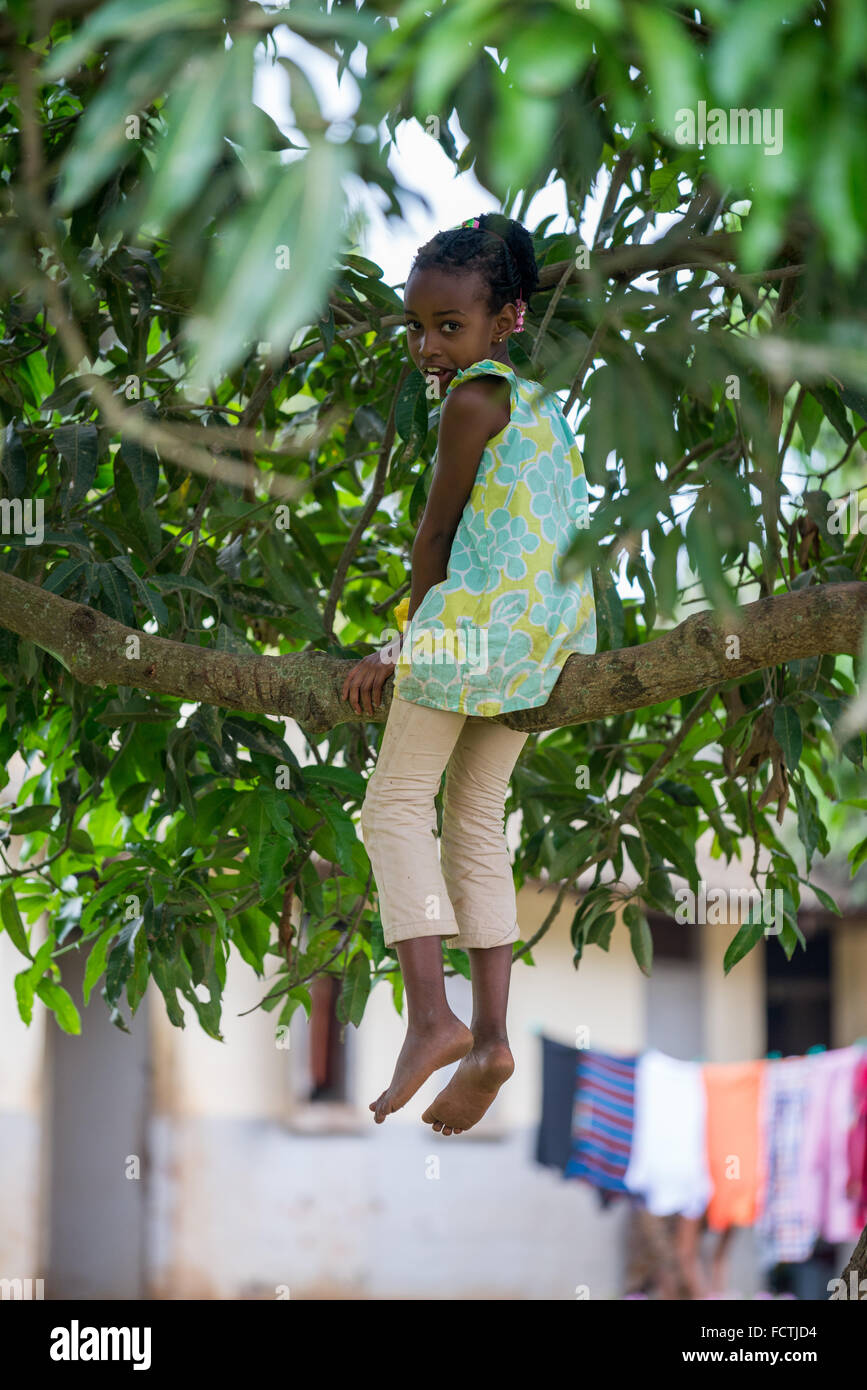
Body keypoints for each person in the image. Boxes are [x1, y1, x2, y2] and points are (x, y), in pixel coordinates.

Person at [341, 213, 596, 1134]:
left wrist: (398, 644)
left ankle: (431, 1017)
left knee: (392, 806)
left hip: (475, 630)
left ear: (508, 321)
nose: (426, 344)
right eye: (416, 325)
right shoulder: (541, 408)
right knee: (475, 818)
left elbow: (437, 539)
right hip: (548, 638)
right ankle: (491, 1037)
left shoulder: (469, 402)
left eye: (448, 326)